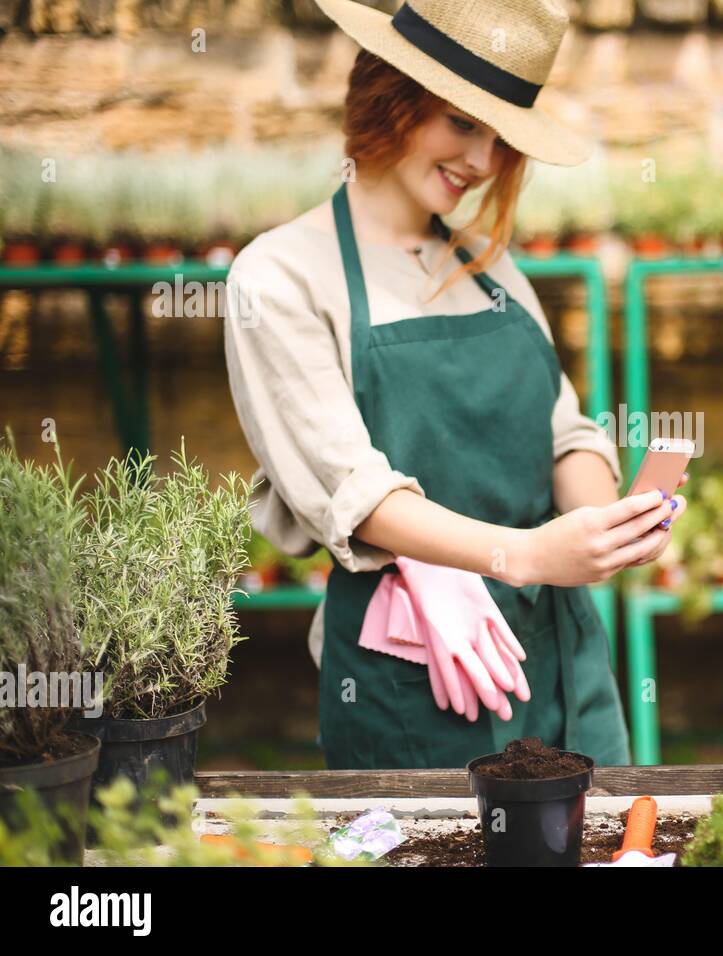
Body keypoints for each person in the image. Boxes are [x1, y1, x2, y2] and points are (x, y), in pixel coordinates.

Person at [223, 0, 687, 769]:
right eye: (462, 122)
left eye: (503, 138)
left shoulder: (487, 264)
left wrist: (605, 522)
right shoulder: (277, 278)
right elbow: (354, 493)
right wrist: (523, 555)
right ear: (388, 95)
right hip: (417, 671)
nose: (482, 161)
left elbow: (563, 431)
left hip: (560, 656)